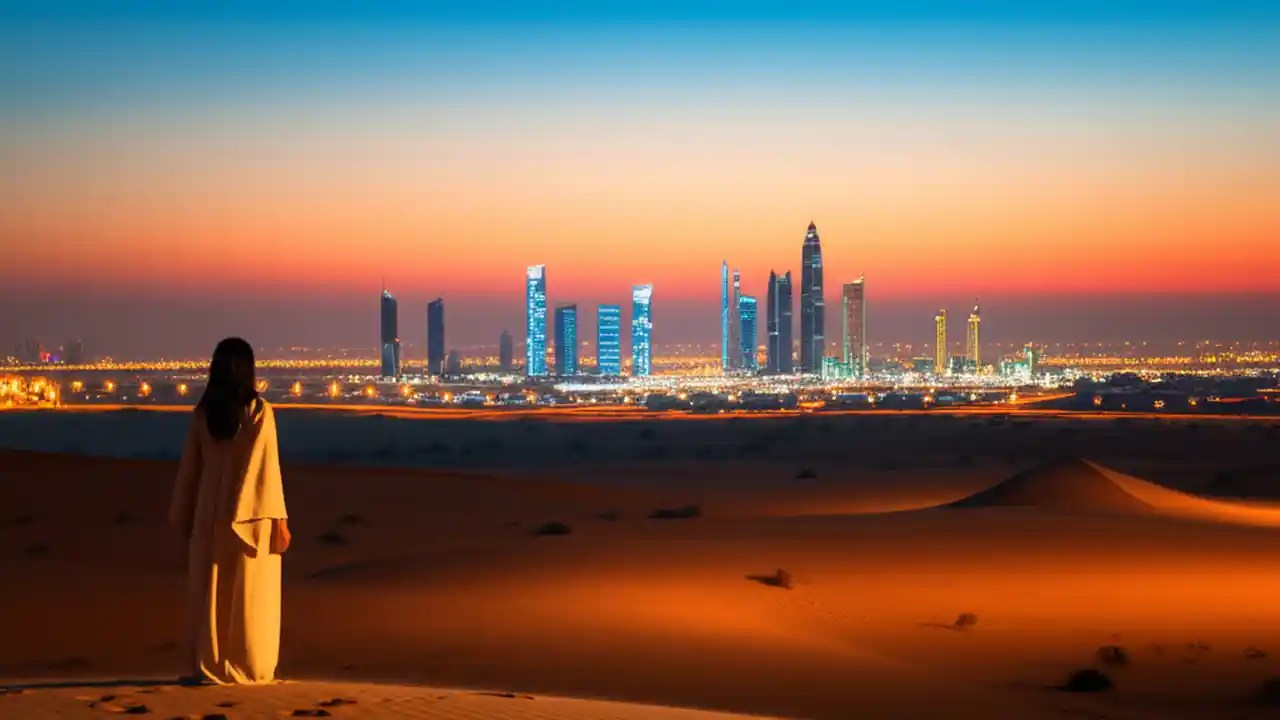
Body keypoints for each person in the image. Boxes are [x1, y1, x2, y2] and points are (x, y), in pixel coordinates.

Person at [169, 337, 290, 684]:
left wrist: (185, 514)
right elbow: (265, 470)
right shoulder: (259, 412)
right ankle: (247, 664)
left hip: (209, 510)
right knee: (248, 595)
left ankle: (209, 661)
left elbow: (189, 471)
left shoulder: (203, 414)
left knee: (210, 590)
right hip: (251, 514)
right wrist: (280, 521)